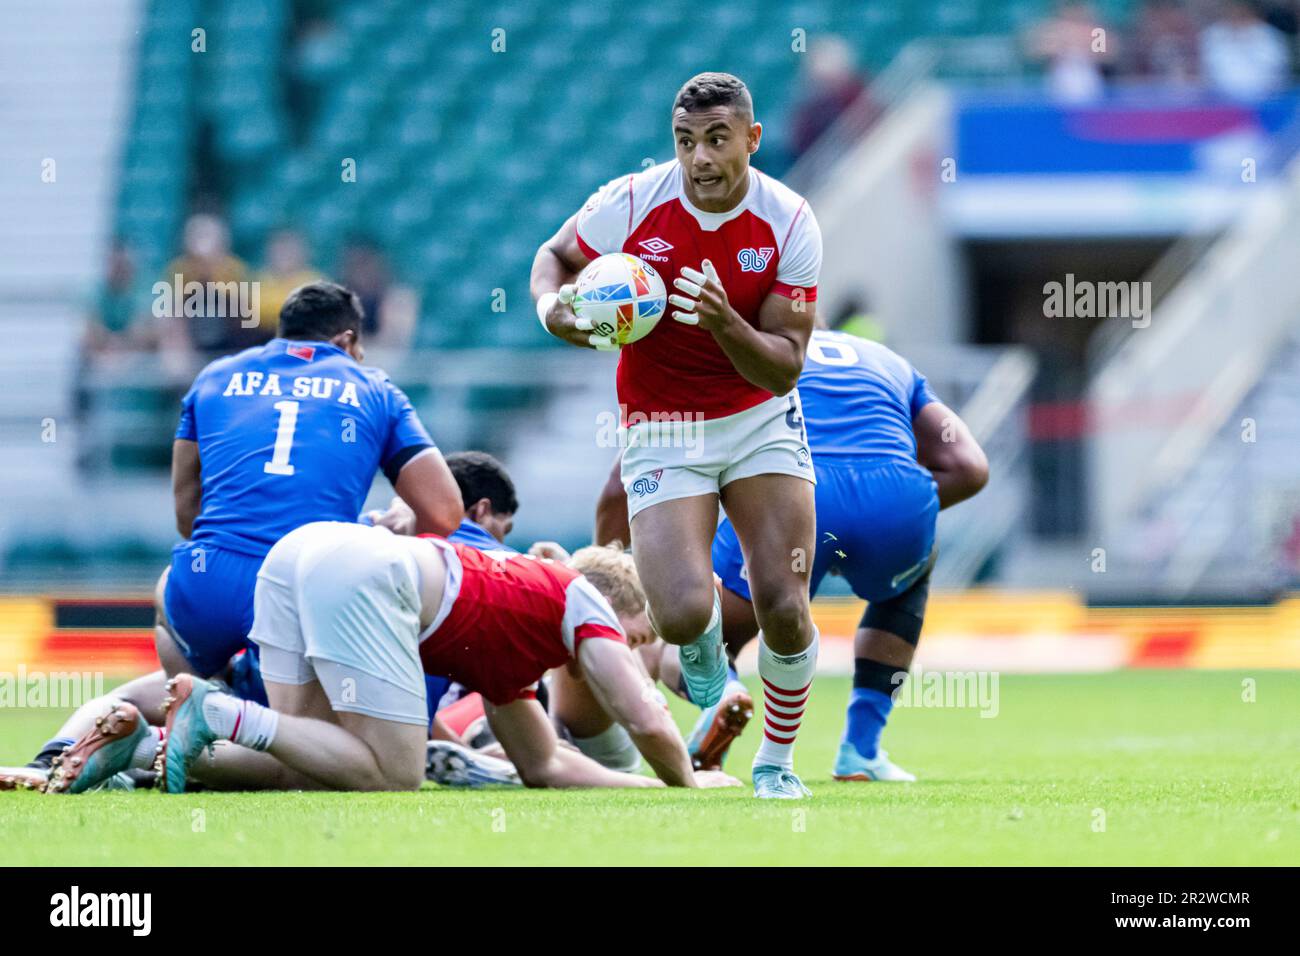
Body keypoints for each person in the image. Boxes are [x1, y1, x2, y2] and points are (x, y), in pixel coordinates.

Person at [39, 281, 462, 795]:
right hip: (305, 593)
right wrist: (398, 519)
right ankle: (148, 752)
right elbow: (443, 512)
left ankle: (55, 755)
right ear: (349, 339)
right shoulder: (373, 387)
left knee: (175, 636)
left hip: (203, 587)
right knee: (311, 756)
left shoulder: (214, 376)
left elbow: (186, 511)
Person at [532, 72, 823, 799]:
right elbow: (555, 257)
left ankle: (776, 764)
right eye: (686, 141)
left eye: (717, 139)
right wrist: (553, 311)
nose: (699, 158)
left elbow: (785, 368)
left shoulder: (789, 221)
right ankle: (698, 660)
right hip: (663, 428)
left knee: (783, 603)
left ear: (751, 140)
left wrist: (727, 323)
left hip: (758, 418)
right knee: (682, 610)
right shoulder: (632, 201)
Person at [62, 522, 738, 794]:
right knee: (395, 776)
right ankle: (220, 711)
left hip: (302, 554)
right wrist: (690, 786)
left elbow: (545, 764)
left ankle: (139, 751)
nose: (643, 643)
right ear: (623, 604)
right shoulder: (582, 600)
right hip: (366, 572)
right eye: (644, 628)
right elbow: (646, 719)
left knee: (309, 765)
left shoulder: (520, 646)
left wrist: (647, 791)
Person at [597, 328, 989, 781]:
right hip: (895, 496)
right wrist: (901, 508)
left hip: (797, 494)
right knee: (907, 583)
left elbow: (625, 479)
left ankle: (722, 694)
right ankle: (861, 751)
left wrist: (606, 556)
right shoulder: (887, 359)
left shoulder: (743, 351)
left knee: (695, 628)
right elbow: (970, 466)